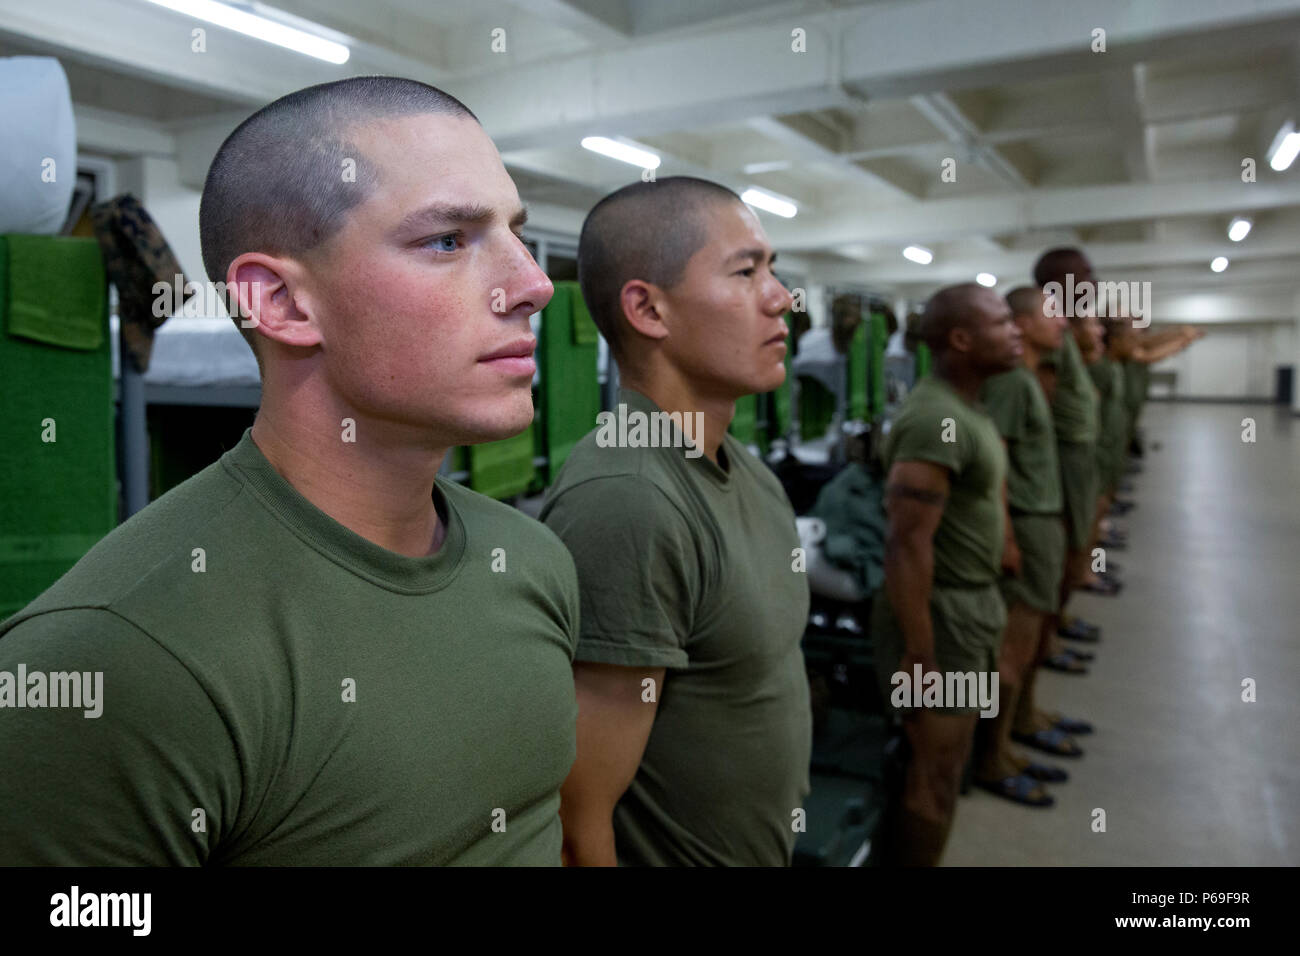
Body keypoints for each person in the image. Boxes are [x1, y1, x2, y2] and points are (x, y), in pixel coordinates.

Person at [0, 77, 580, 865]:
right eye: (448, 240)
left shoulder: (533, 560)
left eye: (516, 232)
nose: (536, 285)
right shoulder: (117, 662)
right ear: (279, 302)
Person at [540, 177, 810, 866]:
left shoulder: (745, 470)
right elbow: (577, 819)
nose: (781, 297)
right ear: (649, 310)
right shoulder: (630, 498)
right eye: (747, 272)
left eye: (773, 270)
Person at [871, 282, 1021, 864]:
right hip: (943, 620)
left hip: (971, 611)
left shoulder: (969, 408)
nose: (1014, 332)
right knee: (932, 772)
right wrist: (920, 653)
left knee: (951, 762)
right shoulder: (936, 419)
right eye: (1002, 322)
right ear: (961, 338)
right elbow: (905, 545)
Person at [974, 286, 1072, 806]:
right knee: (1013, 648)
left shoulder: (1031, 377)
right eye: (1051, 315)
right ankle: (993, 754)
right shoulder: (1012, 382)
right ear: (1023, 322)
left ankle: (1018, 729)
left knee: (1029, 642)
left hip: (1043, 519)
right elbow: (998, 467)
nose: (1063, 323)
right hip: (1027, 523)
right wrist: (1007, 535)